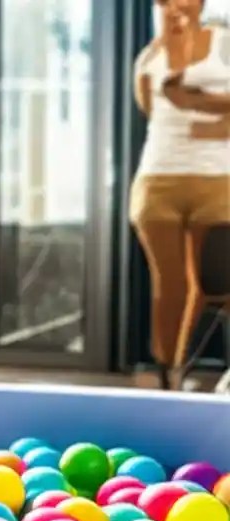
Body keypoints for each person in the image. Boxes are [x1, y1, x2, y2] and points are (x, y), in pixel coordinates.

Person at [131, 0, 230, 389]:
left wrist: (196, 105)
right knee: (170, 284)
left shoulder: (224, 42)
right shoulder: (149, 57)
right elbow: (152, 112)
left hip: (218, 183)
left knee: (209, 285)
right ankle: (169, 376)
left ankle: (196, 369)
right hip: (158, 181)